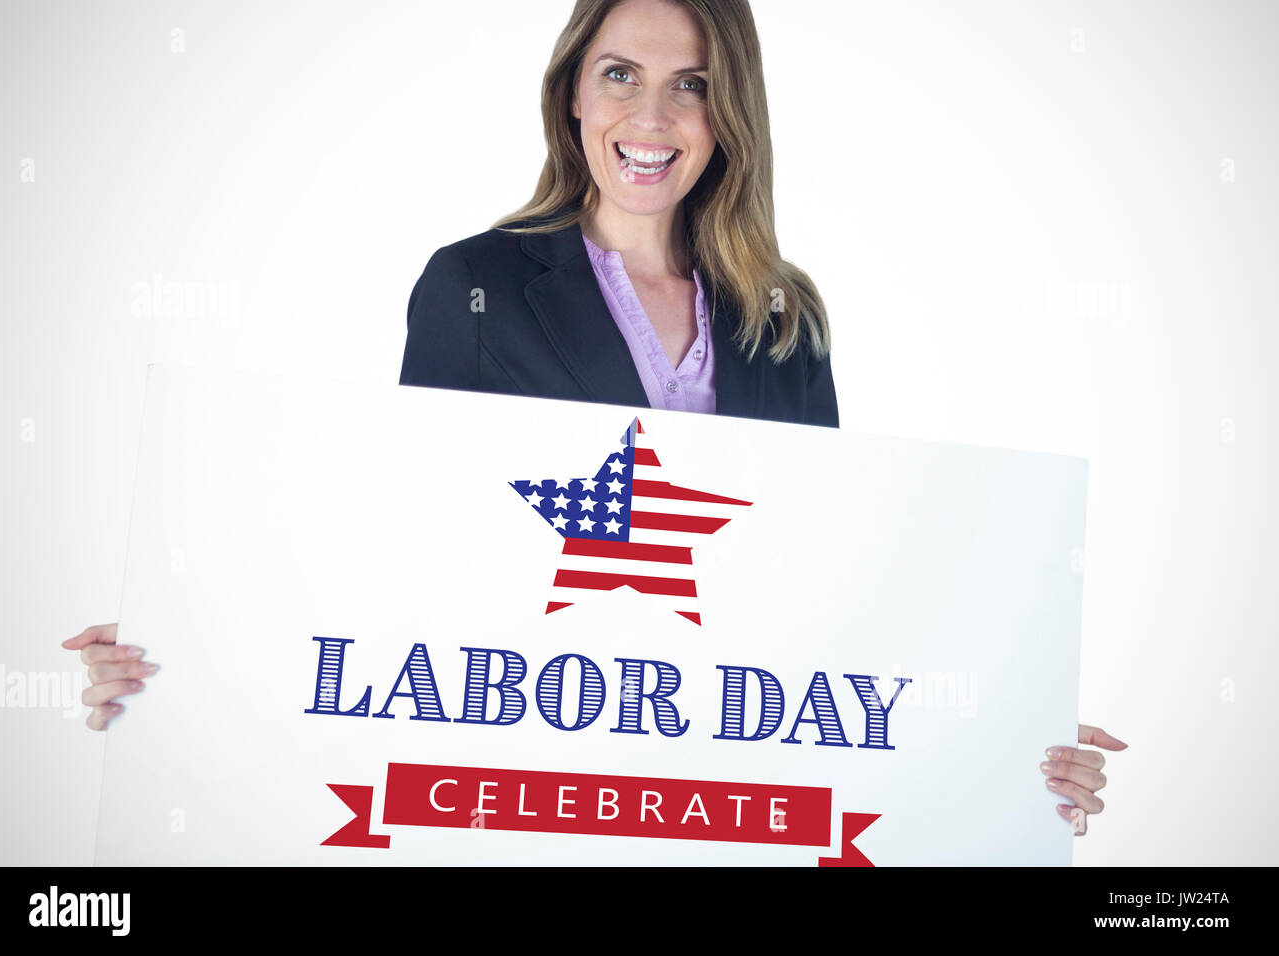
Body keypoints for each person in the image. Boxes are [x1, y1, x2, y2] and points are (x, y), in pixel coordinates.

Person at [63, 0, 1126, 835]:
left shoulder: (784, 317)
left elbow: (831, 586)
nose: (650, 119)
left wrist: (999, 722)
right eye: (620, 75)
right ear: (572, 93)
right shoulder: (474, 285)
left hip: (723, 785)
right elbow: (396, 544)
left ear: (729, 113)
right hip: (533, 777)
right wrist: (197, 639)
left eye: (691, 85)